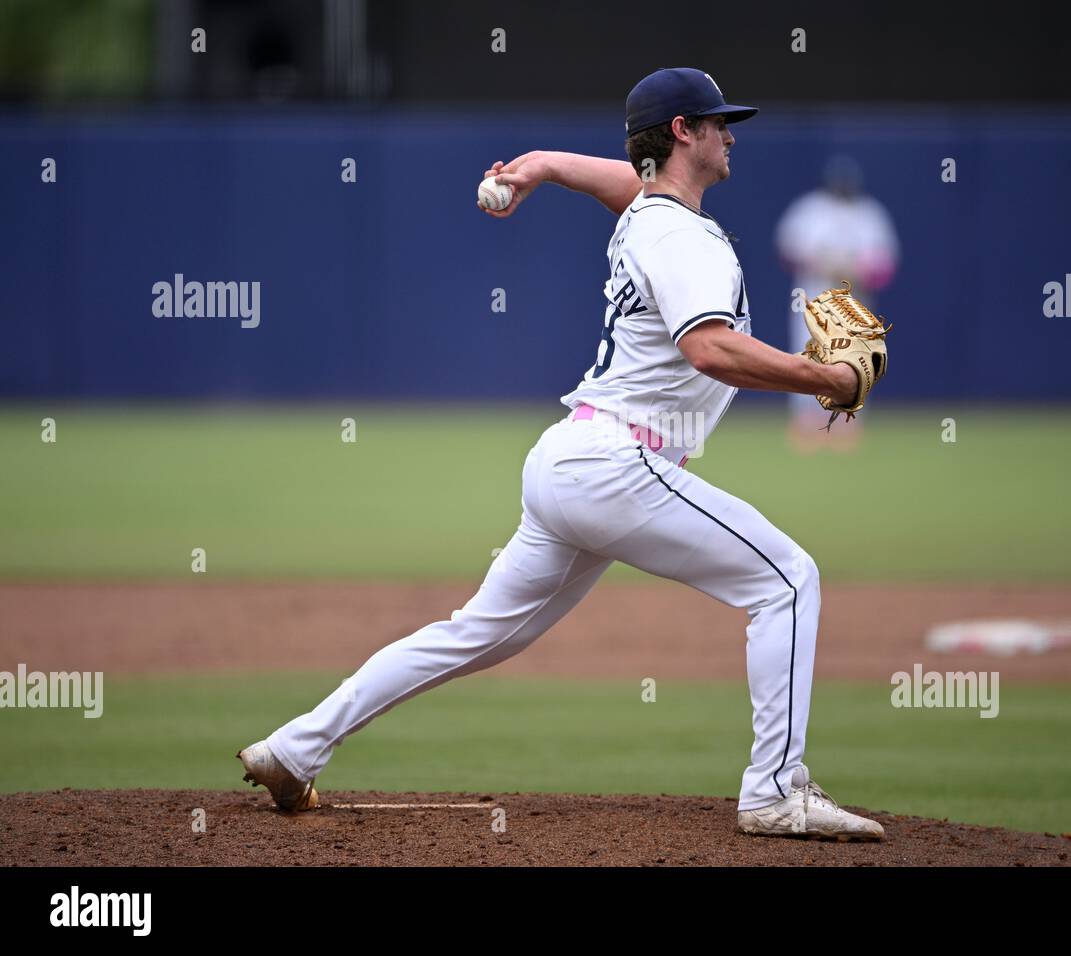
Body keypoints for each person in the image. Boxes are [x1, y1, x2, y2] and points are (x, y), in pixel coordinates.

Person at [237, 68, 883, 842]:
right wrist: (827, 378)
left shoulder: (652, 214)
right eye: (714, 122)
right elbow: (709, 349)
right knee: (786, 579)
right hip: (617, 464)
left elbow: (621, 182)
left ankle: (294, 747)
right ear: (682, 132)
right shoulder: (679, 234)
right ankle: (774, 791)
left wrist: (542, 162)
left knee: (471, 632)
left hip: (570, 460)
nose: (728, 133)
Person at [776, 154, 899, 450]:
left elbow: (885, 267)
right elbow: (788, 251)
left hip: (854, 298)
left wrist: (854, 269)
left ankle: (848, 422)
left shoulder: (870, 214)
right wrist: (824, 262)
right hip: (815, 295)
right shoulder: (811, 209)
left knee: (856, 357)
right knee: (808, 353)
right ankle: (806, 421)